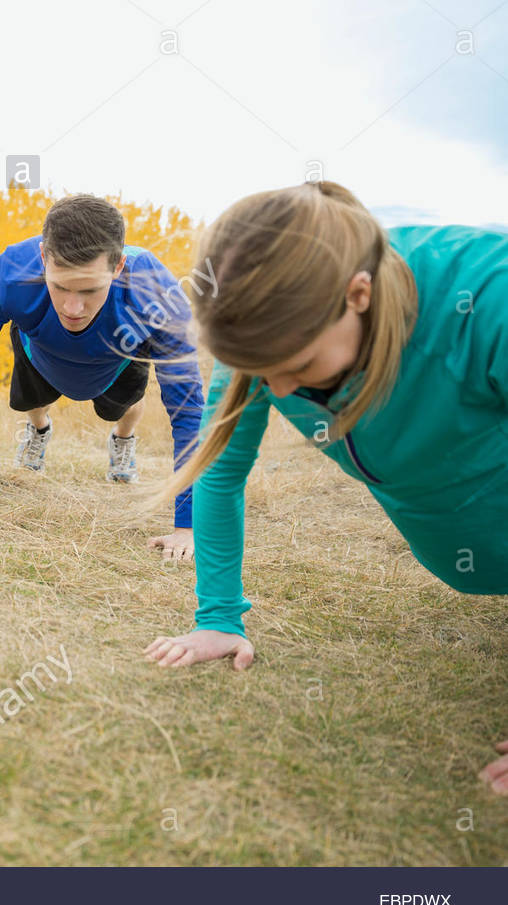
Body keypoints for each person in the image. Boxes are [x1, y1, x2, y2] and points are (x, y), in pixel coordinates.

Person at [141, 181, 508, 793]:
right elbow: (221, 471)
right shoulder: (266, 328)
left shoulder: (488, 297)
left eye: (300, 368)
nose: (278, 393)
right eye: (262, 373)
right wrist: (218, 617)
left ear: (358, 295)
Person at [0, 195, 204, 560]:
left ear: (118, 267)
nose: (73, 308)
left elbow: (188, 411)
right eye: (61, 286)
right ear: (42, 259)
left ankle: (123, 440)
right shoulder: (11, 273)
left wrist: (187, 527)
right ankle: (39, 430)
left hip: (115, 359)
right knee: (30, 402)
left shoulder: (156, 294)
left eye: (89, 290)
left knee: (122, 409)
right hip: (42, 350)